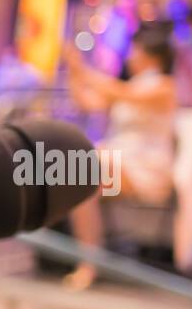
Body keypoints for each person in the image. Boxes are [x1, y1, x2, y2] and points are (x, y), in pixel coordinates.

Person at [62, 29, 178, 289]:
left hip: (147, 167)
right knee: (79, 179)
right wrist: (73, 70)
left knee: (87, 166)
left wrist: (84, 70)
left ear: (152, 55)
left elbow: (122, 93)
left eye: (135, 50)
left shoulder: (164, 86)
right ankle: (87, 259)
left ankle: (89, 263)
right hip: (119, 161)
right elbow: (85, 102)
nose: (130, 56)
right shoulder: (131, 86)